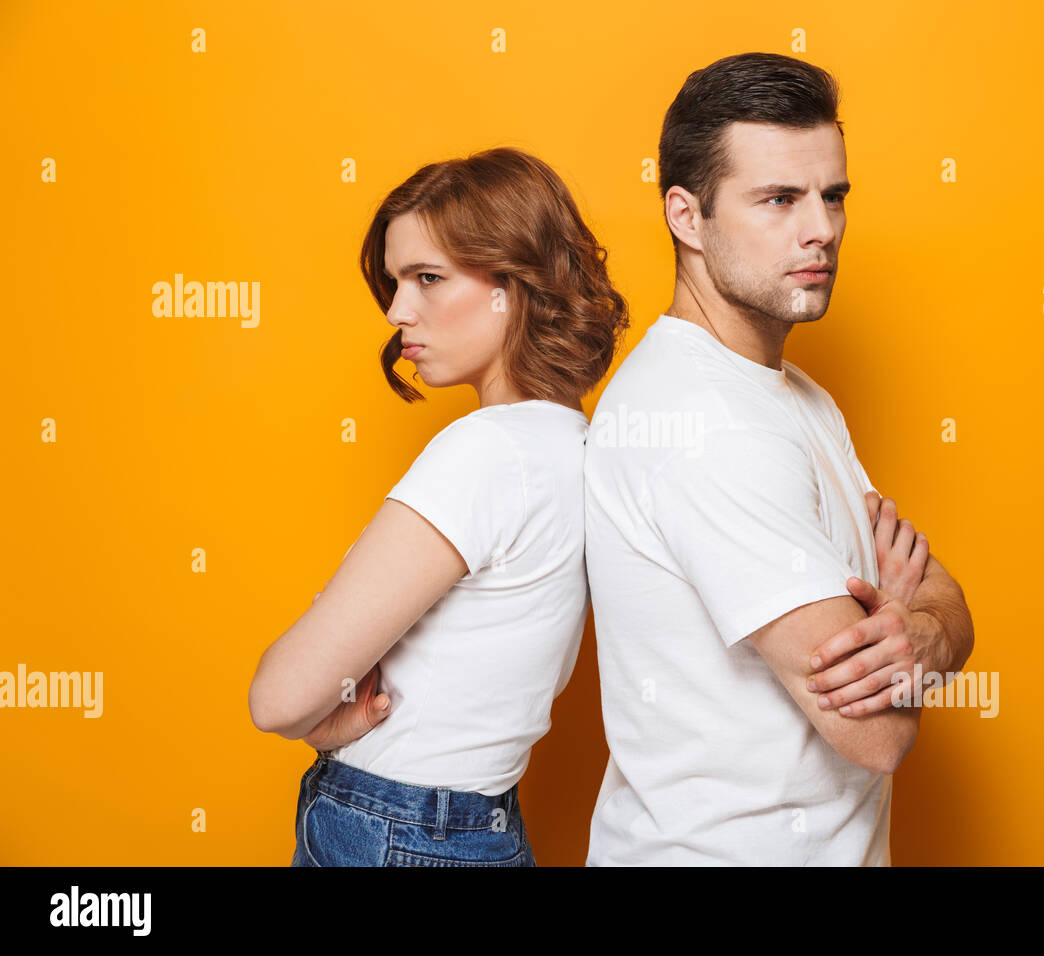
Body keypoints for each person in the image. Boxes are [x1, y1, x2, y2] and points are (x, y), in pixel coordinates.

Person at [582, 52, 976, 865]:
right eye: (779, 199)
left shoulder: (790, 393)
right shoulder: (700, 420)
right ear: (686, 218)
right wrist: (905, 622)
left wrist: (922, 630)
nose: (821, 229)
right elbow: (877, 734)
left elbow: (933, 589)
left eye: (833, 196)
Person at [247, 147, 629, 866]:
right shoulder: (582, 448)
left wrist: (321, 721)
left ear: (515, 285)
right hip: (478, 827)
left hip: (391, 829)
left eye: (428, 278)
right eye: (396, 282)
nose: (397, 311)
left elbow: (277, 697)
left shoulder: (485, 452)